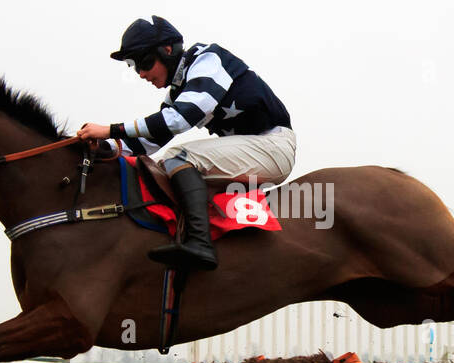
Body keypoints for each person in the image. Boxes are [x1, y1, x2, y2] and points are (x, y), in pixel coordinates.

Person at [78, 16, 295, 271]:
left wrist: (110, 129)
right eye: (134, 66)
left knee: (177, 157)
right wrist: (106, 147)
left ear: (167, 50)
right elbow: (148, 142)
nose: (141, 73)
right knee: (160, 164)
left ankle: (200, 242)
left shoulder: (208, 59)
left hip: (273, 146)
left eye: (144, 62)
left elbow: (181, 118)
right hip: (255, 149)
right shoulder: (179, 90)